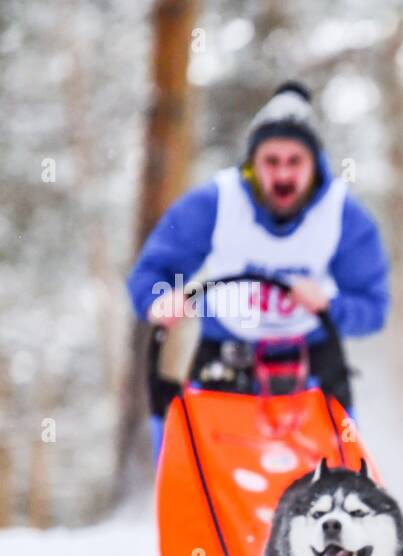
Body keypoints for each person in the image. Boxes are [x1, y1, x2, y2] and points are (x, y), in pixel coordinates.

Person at [126, 81, 389, 456]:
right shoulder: (213, 203)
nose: (283, 175)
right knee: (207, 467)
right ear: (252, 164)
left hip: (313, 362)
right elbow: (150, 272)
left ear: (314, 166)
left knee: (331, 470)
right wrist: (159, 300)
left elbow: (374, 309)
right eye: (271, 161)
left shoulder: (345, 217)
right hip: (225, 356)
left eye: (295, 161)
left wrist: (329, 305)